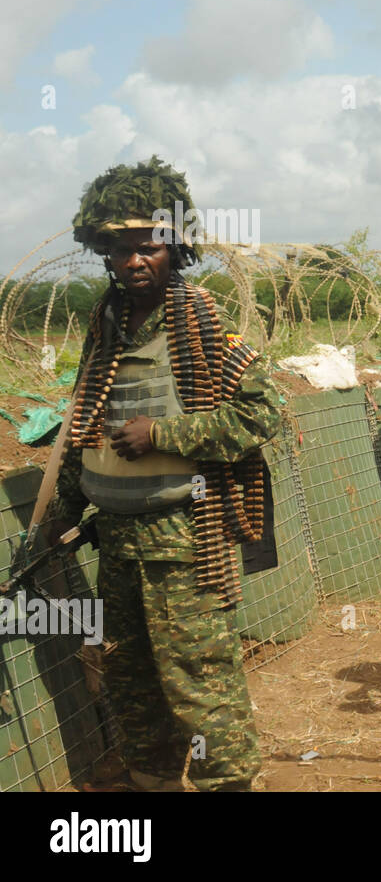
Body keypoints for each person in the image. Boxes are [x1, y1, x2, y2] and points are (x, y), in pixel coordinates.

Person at [45, 156, 281, 791]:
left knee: (199, 681)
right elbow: (86, 420)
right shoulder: (107, 324)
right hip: (117, 540)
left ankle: (229, 785)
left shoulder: (201, 325)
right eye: (117, 249)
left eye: (147, 245)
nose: (132, 261)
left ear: (175, 247)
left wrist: (166, 434)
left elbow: (262, 414)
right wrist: (65, 508)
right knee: (130, 682)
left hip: (185, 538)